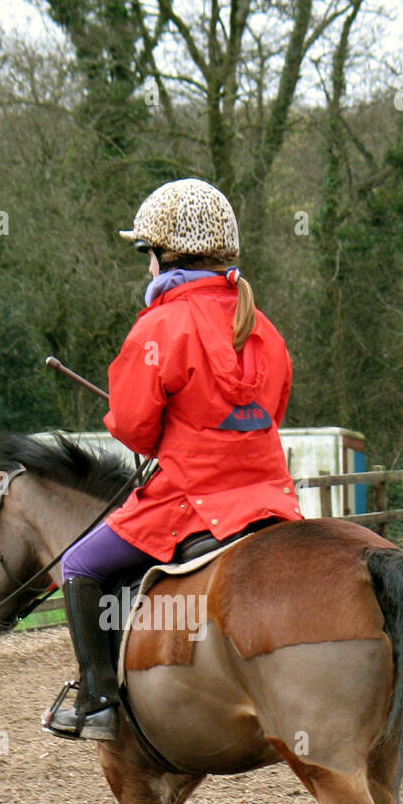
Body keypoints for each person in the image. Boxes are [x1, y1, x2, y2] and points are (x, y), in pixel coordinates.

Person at [44, 177, 303, 741]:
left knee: (79, 566)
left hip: (191, 502)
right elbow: (273, 409)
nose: (148, 266)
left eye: (147, 254)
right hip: (273, 500)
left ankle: (97, 702)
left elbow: (135, 430)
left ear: (165, 254)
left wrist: (147, 421)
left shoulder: (159, 325)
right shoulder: (265, 328)